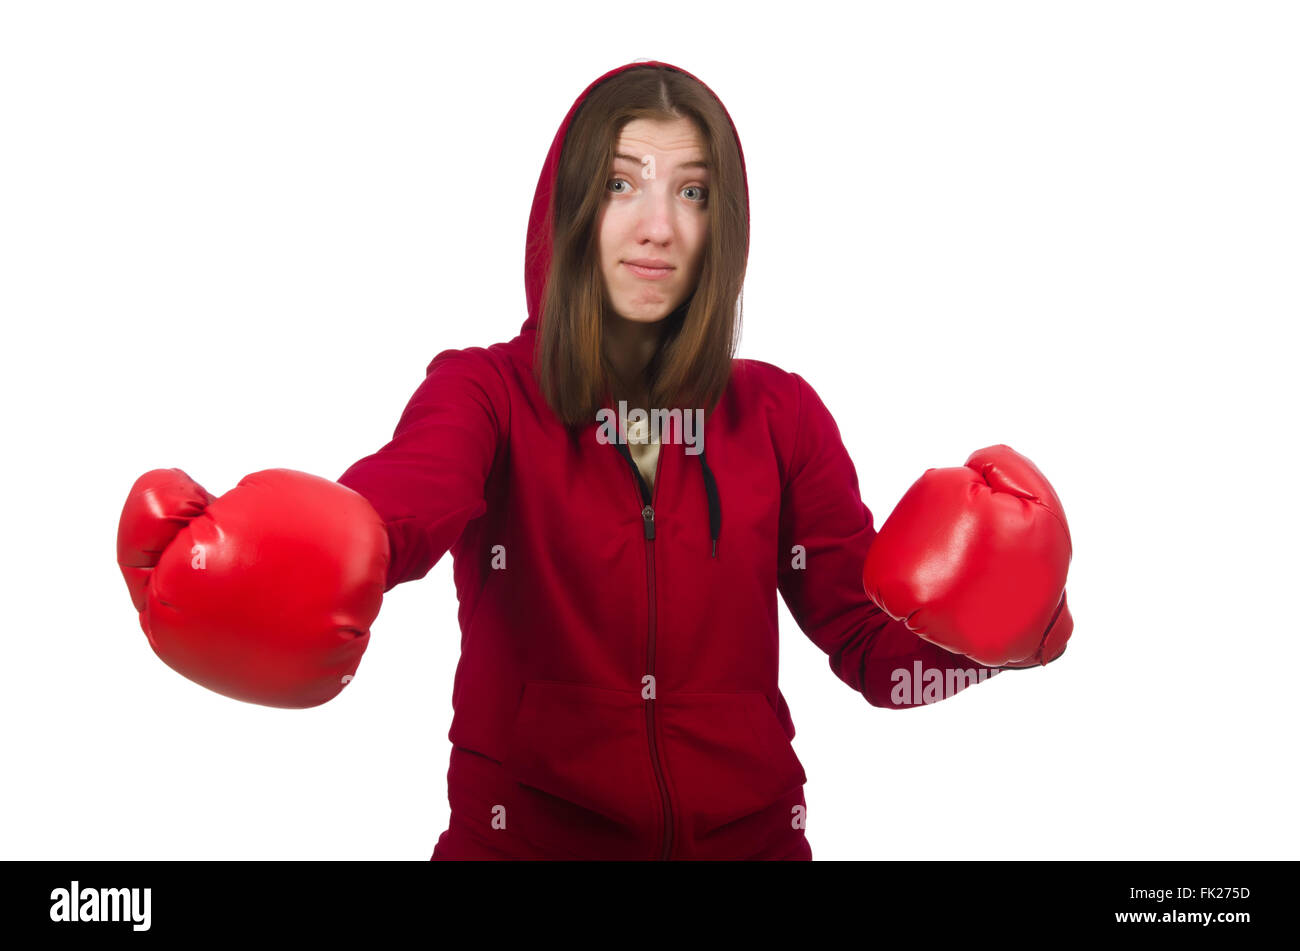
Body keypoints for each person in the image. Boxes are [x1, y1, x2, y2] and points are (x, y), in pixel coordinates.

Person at [117, 60, 1072, 862]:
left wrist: (998, 642)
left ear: (723, 226)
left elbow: (873, 651)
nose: (658, 225)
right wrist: (312, 550)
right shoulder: (486, 391)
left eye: (692, 191)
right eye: (623, 183)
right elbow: (407, 500)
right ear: (570, 205)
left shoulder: (780, 413)